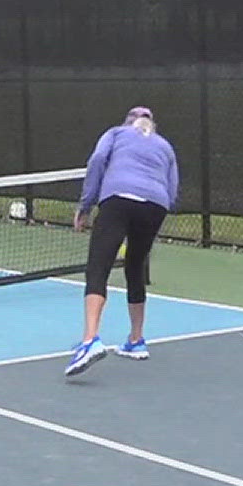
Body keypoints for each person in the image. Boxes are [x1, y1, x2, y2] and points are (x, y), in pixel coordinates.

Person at [65, 106, 178, 376]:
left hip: (118, 198)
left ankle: (90, 340)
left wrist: (86, 205)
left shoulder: (116, 134)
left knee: (98, 267)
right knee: (135, 267)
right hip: (156, 204)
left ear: (129, 123)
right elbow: (172, 189)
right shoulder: (165, 147)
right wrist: (155, 212)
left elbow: (97, 161)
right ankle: (136, 340)